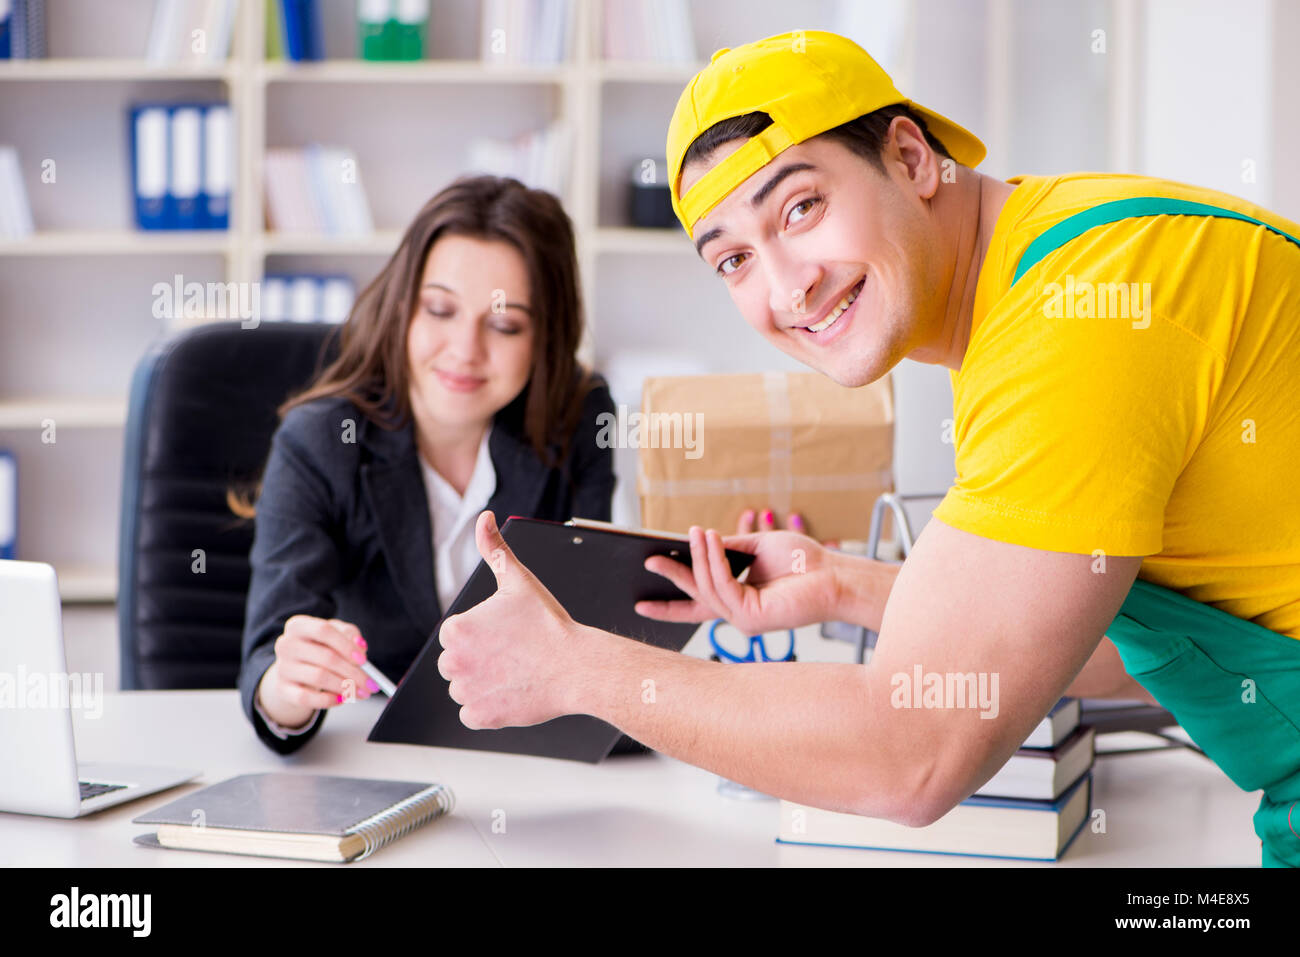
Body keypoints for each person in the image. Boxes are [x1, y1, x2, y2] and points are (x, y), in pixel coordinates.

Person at [433, 33, 1300, 866]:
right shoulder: (1043, 269)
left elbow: (911, 755)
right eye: (733, 258)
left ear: (913, 159)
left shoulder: (1077, 313)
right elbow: (1120, 656)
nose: (786, 286)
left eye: (801, 207)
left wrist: (578, 668)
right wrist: (842, 584)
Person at [235, 174, 616, 754]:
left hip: (532, 761)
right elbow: (269, 658)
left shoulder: (579, 419)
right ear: (403, 307)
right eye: (440, 310)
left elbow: (597, 626)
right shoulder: (320, 441)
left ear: (545, 339)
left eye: (504, 323)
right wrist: (286, 689)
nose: (465, 350)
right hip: (372, 756)